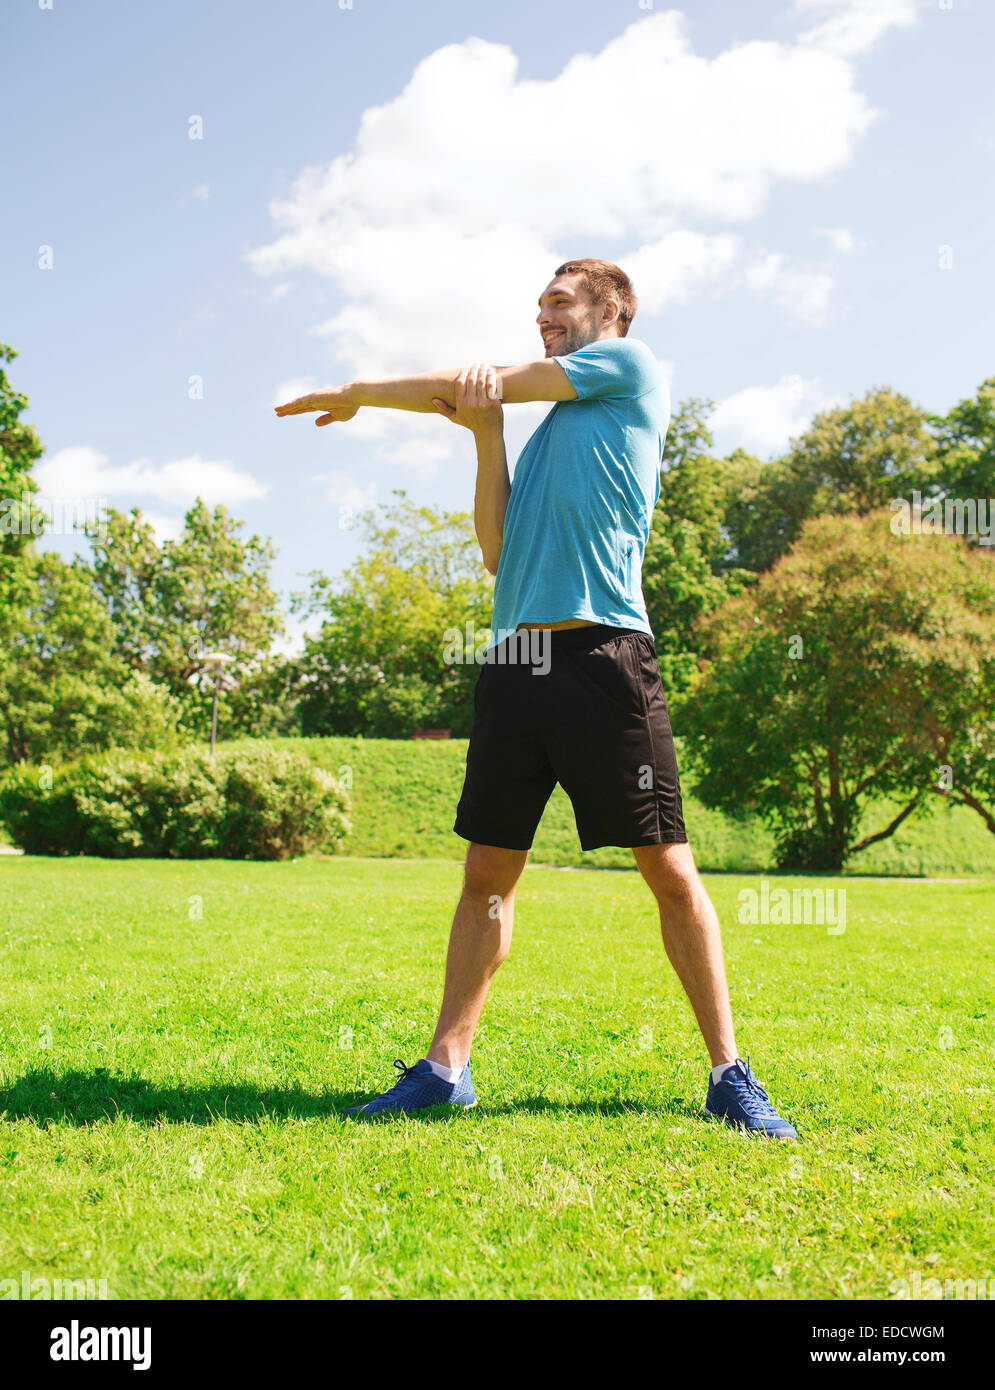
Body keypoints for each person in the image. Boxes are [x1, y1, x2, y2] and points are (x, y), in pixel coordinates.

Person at [275, 258, 796, 1140]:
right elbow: (496, 551)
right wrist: (486, 435)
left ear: (612, 308)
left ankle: (728, 1074)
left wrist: (360, 392)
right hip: (516, 659)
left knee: (668, 869)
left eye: (558, 302)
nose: (542, 315)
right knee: (487, 873)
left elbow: (474, 379)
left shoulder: (628, 368)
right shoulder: (554, 426)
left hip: (604, 653)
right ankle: (445, 1071)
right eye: (539, 305)